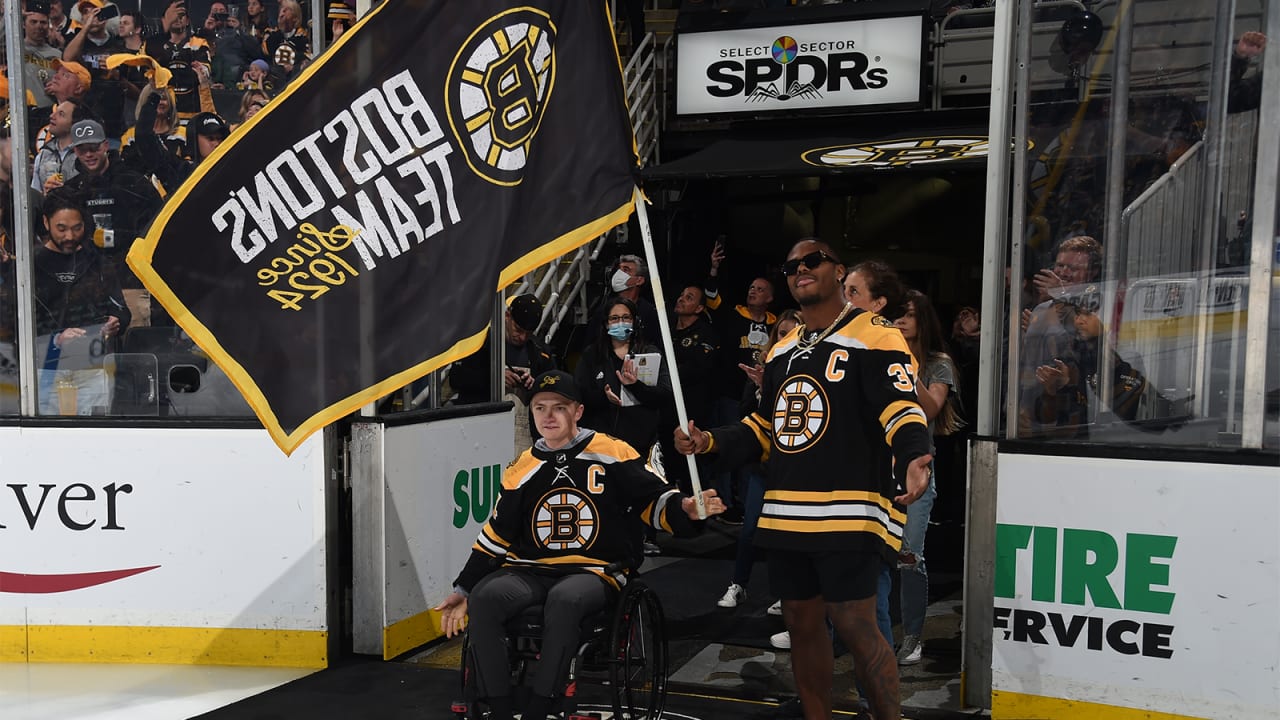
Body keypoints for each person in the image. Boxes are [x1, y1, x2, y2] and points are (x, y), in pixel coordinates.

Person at [676, 238, 932, 720]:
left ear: (839, 271)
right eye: (792, 266)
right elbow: (766, 429)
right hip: (787, 511)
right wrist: (709, 441)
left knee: (856, 625)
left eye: (813, 261)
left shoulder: (875, 332)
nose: (800, 270)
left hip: (851, 508)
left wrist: (915, 453)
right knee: (802, 624)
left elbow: (900, 405)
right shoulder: (782, 348)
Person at [434, 370, 724, 720]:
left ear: (578, 411)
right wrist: (463, 588)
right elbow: (496, 536)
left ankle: (541, 706)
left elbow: (653, 501)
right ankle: (499, 707)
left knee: (565, 599)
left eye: (559, 408)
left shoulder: (611, 451)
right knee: (485, 597)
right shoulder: (522, 467)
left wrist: (685, 509)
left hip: (594, 571)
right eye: (540, 408)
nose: (548, 416)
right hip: (529, 570)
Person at [892, 289, 962, 666]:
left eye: (908, 314)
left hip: (917, 470)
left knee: (909, 555)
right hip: (876, 467)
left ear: (923, 319)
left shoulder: (937, 364)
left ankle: (912, 636)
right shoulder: (878, 354)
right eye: (896, 314)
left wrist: (905, 366)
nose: (901, 320)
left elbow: (931, 408)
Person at [716, 307, 798, 611]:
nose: (785, 339)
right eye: (781, 333)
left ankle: (787, 593)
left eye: (792, 334)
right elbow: (745, 414)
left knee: (788, 533)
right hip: (763, 465)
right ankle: (739, 584)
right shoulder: (762, 369)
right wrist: (762, 388)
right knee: (751, 528)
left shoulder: (809, 370)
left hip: (795, 468)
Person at [32, 189, 130, 414]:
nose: (70, 236)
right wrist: (56, 339)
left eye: (77, 228)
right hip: (46, 370)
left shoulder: (96, 262)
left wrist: (115, 322)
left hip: (91, 369)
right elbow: (17, 324)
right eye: (61, 229)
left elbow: (122, 311)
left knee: (95, 433)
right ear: (46, 223)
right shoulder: (32, 264)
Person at [703, 239, 776, 522]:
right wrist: (713, 270)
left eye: (760, 289)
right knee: (726, 448)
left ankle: (746, 504)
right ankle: (723, 503)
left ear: (770, 298)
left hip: (759, 399)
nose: (753, 291)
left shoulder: (777, 323)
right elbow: (711, 299)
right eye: (751, 288)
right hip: (730, 394)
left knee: (752, 451)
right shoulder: (734, 315)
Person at [61, 118, 163, 318]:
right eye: (82, 150)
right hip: (87, 289)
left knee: (135, 336)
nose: (89, 154)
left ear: (106, 145)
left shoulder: (135, 184)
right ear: (75, 151)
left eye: (94, 148)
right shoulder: (70, 191)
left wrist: (114, 238)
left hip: (131, 284)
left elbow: (155, 231)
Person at [1018, 235, 1102, 436]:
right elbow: (1025, 361)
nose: (1063, 272)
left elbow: (1091, 353)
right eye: (1060, 265)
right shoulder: (1041, 309)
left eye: (1073, 268)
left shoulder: (1097, 307)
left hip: (1072, 416)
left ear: (1092, 272)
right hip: (1032, 414)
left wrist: (1062, 294)